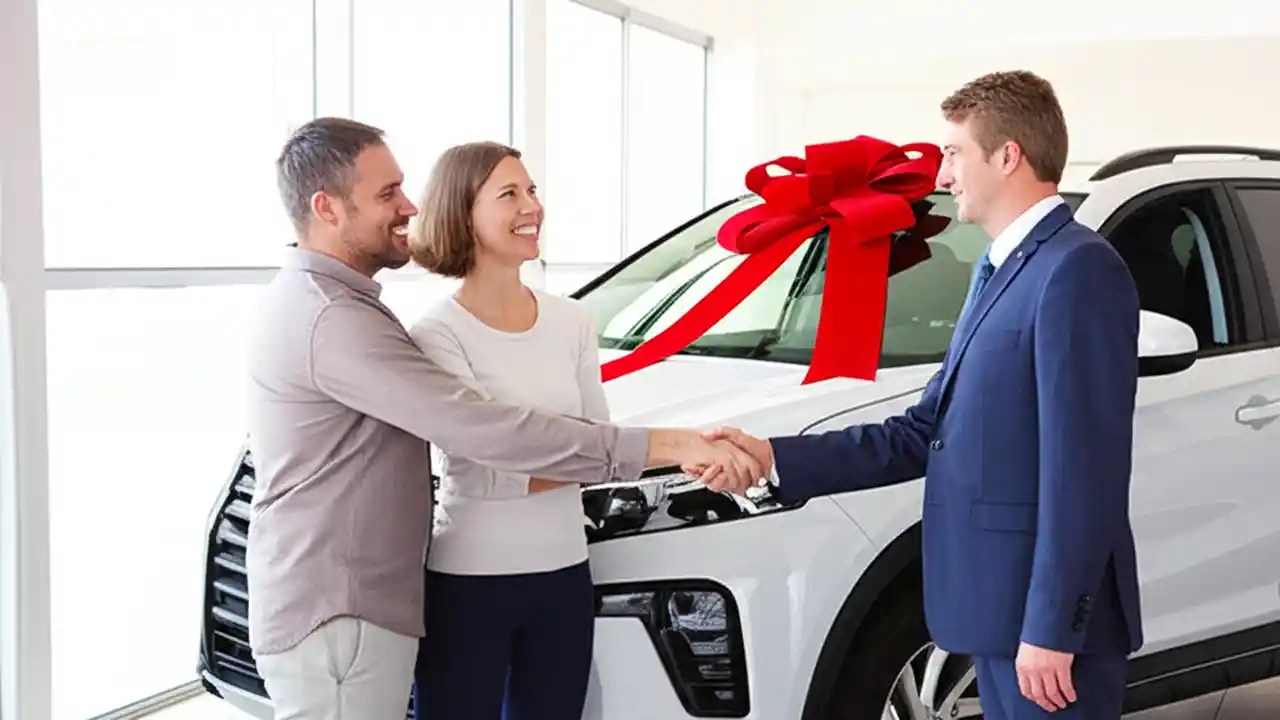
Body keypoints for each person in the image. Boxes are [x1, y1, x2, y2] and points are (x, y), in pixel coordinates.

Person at [245, 117, 762, 720]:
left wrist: (585, 459)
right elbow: (482, 440)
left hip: (379, 600)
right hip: (349, 606)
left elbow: (531, 451)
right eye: (387, 193)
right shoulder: (339, 320)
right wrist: (672, 445)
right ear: (326, 207)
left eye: (531, 189)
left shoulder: (348, 310)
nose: (407, 206)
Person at [706, 71, 1143, 719]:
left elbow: (1086, 471)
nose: (942, 176)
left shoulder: (1077, 269)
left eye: (953, 153)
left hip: (1044, 633)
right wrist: (771, 457)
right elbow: (924, 431)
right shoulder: (999, 271)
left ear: (1008, 155)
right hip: (998, 616)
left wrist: (1053, 627)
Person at [403, 140, 605, 719]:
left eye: (533, 190)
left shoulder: (572, 320)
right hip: (470, 583)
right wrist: (571, 452)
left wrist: (542, 457)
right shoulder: (437, 332)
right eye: (509, 193)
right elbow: (489, 470)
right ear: (463, 213)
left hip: (565, 574)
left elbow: (599, 444)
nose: (532, 206)